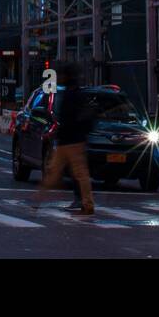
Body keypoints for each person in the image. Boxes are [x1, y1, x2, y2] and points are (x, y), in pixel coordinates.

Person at [33, 64, 97, 215]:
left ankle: (38, 200)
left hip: (67, 141)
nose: (60, 78)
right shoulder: (78, 94)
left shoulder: (69, 95)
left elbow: (66, 118)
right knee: (81, 174)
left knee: (54, 173)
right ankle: (87, 203)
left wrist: (59, 133)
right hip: (76, 140)